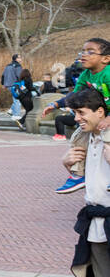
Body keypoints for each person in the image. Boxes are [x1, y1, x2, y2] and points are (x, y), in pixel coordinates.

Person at [65, 87, 110, 277]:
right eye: (74, 113)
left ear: (100, 111)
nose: (77, 118)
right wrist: (67, 164)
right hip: (96, 223)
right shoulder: (82, 137)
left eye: (81, 112)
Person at [44, 39, 110, 193]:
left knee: (107, 141)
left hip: (106, 117)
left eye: (90, 52)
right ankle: (78, 175)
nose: (83, 55)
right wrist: (55, 105)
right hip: (100, 116)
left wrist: (108, 118)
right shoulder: (85, 75)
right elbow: (75, 95)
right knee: (77, 138)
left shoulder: (108, 74)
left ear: (106, 58)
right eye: (83, 51)